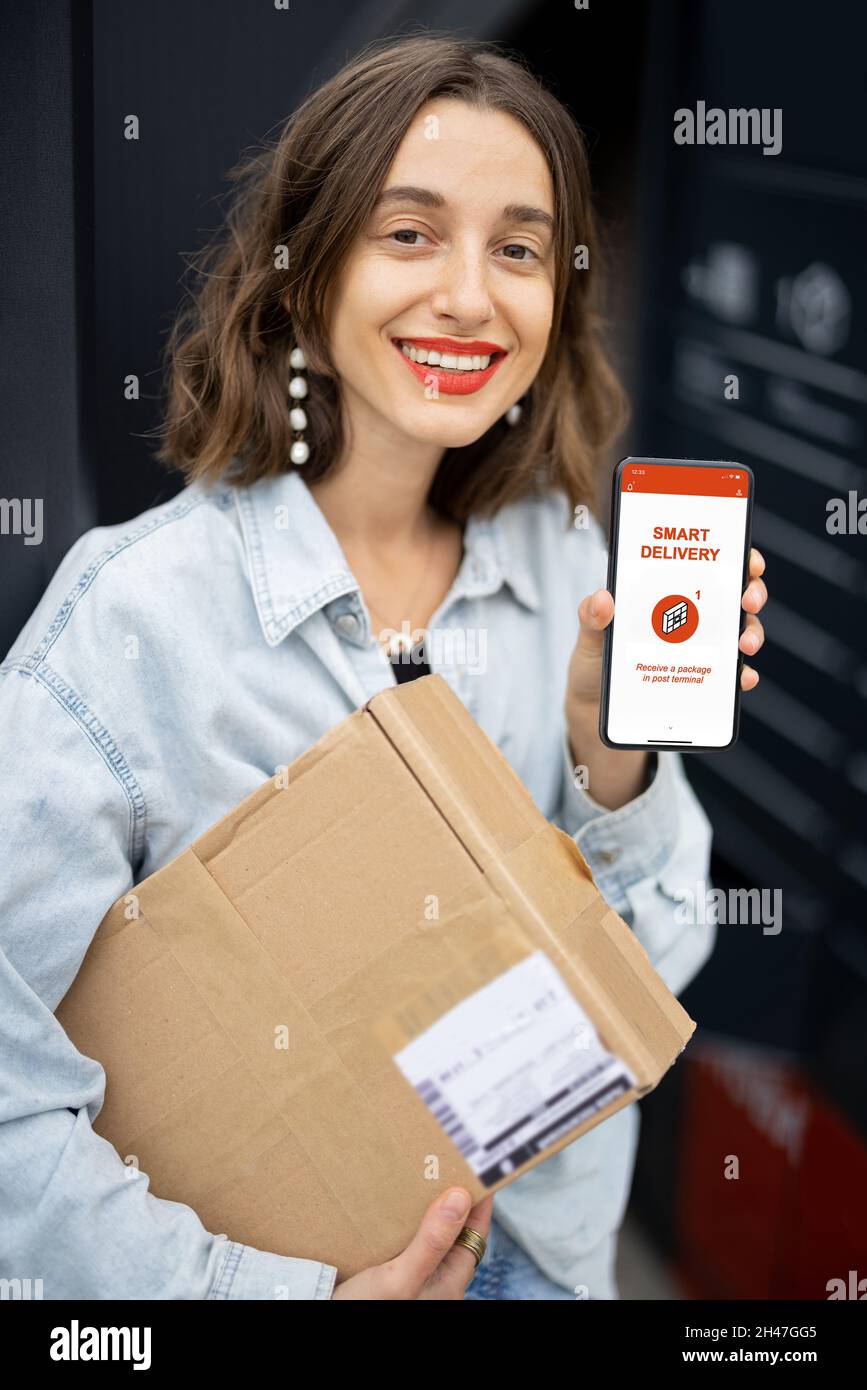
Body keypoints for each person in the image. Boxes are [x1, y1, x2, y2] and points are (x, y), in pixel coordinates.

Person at [0, 34, 767, 1300]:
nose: (471, 295)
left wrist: (609, 758)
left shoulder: (566, 571)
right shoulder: (129, 623)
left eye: (518, 248)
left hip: (557, 1267)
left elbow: (650, 978)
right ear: (304, 277)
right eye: (410, 234)